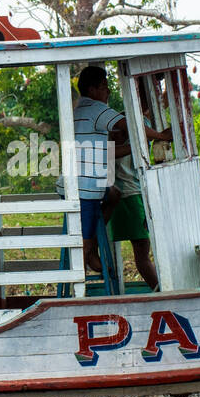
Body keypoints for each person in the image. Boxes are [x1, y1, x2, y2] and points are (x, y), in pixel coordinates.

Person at [109, 88, 173, 291]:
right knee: (142, 250)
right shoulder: (125, 121)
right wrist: (161, 135)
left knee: (145, 248)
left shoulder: (140, 120)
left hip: (136, 190)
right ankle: (159, 291)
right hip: (128, 191)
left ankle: (159, 290)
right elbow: (112, 151)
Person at [70, 65, 131, 279]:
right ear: (93, 89)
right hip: (84, 187)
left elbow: (107, 152)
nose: (108, 92)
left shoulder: (80, 110)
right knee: (83, 243)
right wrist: (159, 137)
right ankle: (87, 256)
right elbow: (127, 125)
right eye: (105, 87)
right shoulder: (96, 109)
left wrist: (135, 146)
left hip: (84, 182)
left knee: (113, 194)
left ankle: (93, 242)